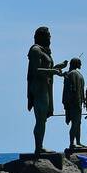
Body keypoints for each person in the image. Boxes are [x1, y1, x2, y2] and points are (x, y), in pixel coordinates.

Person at [27, 27, 67, 155]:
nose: (50, 38)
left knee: (43, 119)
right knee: (40, 119)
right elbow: (36, 70)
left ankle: (40, 146)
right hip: (38, 88)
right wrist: (53, 71)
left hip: (45, 87)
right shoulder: (35, 50)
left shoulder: (44, 52)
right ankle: (38, 148)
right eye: (48, 36)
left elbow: (46, 69)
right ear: (42, 36)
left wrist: (57, 68)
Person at [62, 58, 86, 149]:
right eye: (80, 63)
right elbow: (69, 90)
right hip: (74, 103)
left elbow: (81, 90)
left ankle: (78, 142)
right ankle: (72, 143)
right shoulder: (72, 74)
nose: (81, 65)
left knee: (77, 123)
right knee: (75, 123)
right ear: (75, 63)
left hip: (77, 102)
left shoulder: (75, 74)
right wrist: (67, 104)